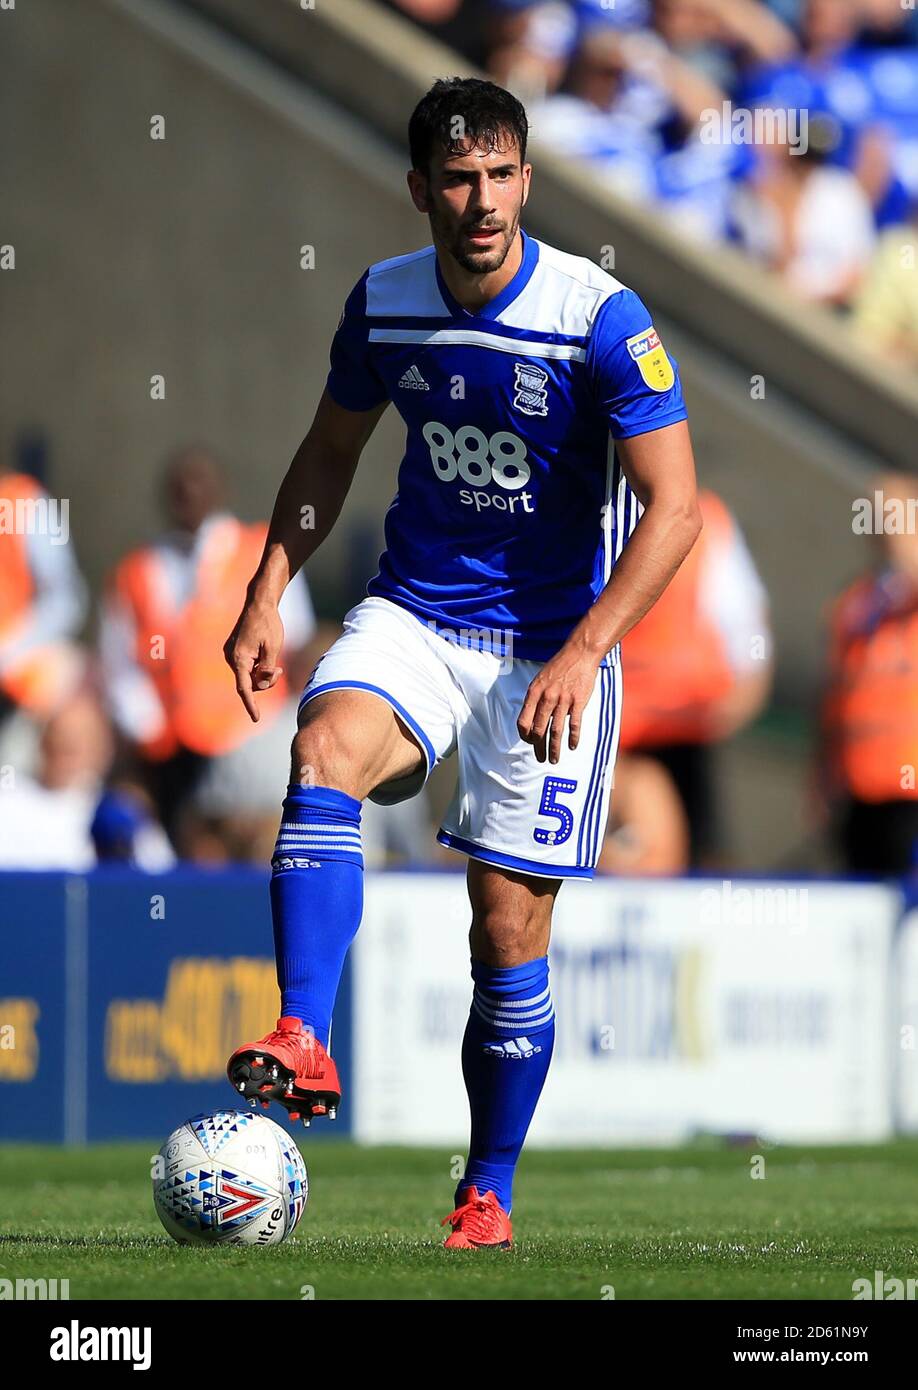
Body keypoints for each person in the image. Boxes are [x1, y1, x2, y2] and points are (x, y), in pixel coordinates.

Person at [223, 77, 701, 1248]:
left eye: (500, 176)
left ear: (527, 180)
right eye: (457, 179)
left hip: (553, 647)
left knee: (504, 930)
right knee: (326, 742)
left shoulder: (600, 317)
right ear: (420, 188)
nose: (481, 202)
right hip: (418, 617)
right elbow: (328, 455)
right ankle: (302, 1034)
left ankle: (485, 1188)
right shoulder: (383, 304)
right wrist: (263, 593)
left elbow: (677, 509)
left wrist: (588, 650)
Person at [98, 447, 315, 849]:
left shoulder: (262, 554)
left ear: (220, 489)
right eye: (180, 487)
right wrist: (147, 725)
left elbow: (297, 645)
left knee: (257, 844)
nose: (191, 494)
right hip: (168, 748)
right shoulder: (138, 570)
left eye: (200, 483)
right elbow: (118, 664)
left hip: (250, 739)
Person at [821, 472, 918, 874]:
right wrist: (824, 776)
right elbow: (832, 695)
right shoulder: (856, 603)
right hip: (858, 786)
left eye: (894, 515)